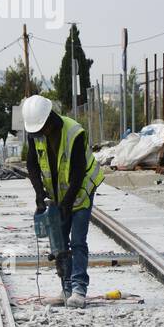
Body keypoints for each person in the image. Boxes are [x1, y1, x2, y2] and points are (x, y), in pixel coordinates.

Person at [22, 94, 104, 308]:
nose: (37, 134)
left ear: (49, 119)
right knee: (59, 242)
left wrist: (67, 205)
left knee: (77, 240)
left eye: (40, 129)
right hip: (58, 195)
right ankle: (65, 287)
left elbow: (77, 173)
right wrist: (39, 194)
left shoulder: (74, 132)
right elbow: (32, 165)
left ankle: (78, 289)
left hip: (81, 192)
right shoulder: (36, 134)